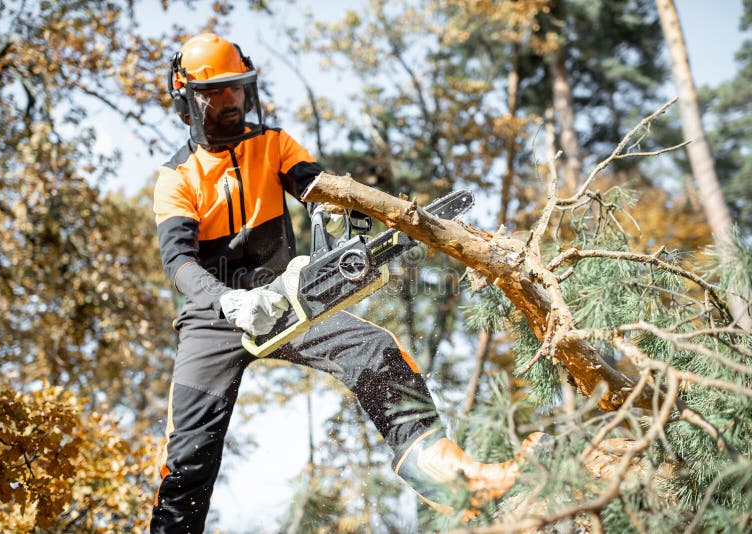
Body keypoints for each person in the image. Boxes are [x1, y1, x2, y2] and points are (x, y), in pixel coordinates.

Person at [150, 32, 545, 532]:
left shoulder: (272, 144)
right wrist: (227, 300)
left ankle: (451, 479)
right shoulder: (177, 177)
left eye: (236, 88)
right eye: (216, 92)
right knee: (188, 456)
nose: (230, 100)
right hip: (213, 318)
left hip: (284, 299)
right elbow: (179, 263)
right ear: (187, 98)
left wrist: (334, 209)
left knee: (376, 350)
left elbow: (316, 185)